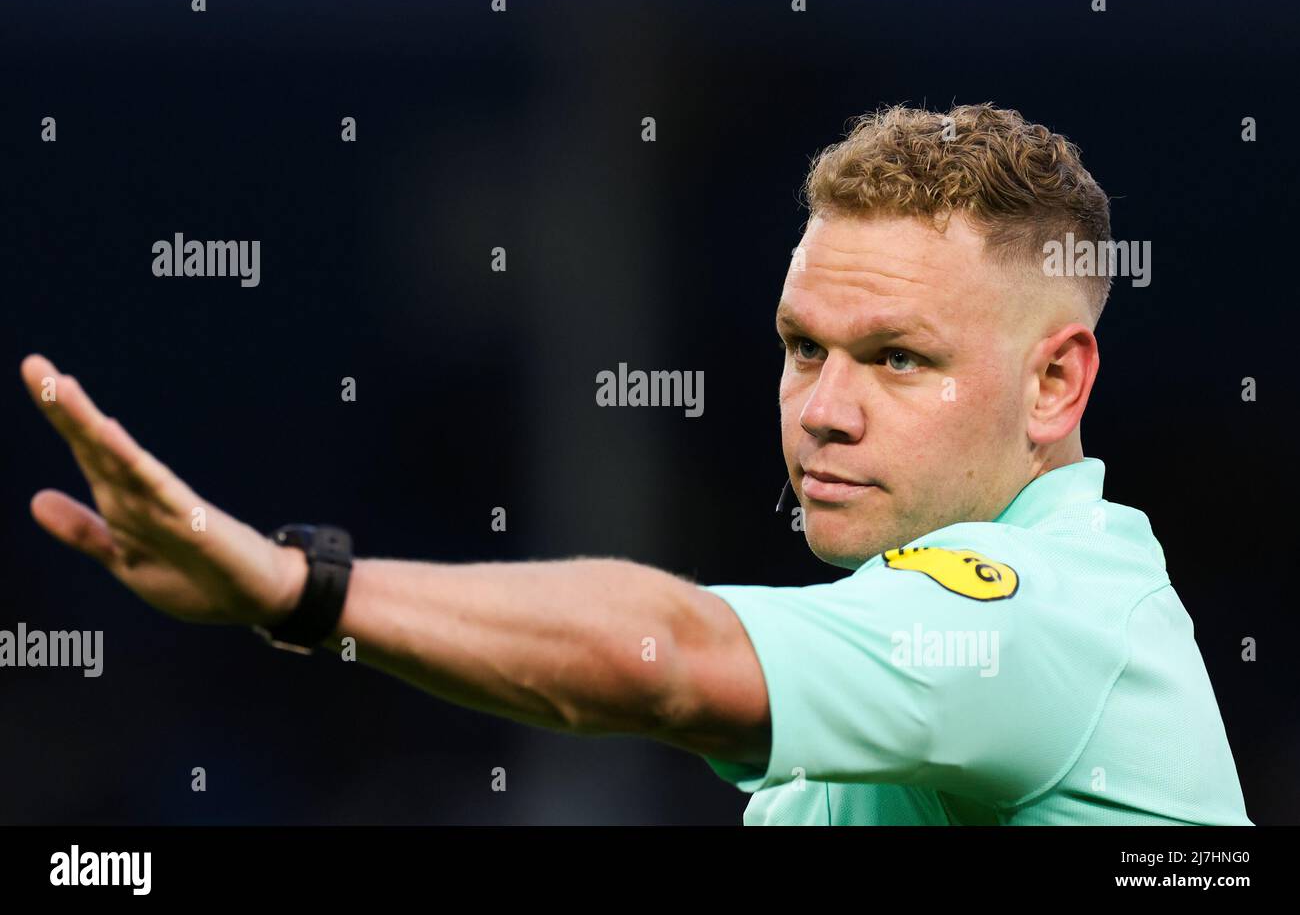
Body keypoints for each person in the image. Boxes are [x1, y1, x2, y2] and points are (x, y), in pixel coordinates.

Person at [21, 103, 1251, 825]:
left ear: (1056, 382)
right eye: (800, 347)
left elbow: (670, 656)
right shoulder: (896, 670)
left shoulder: (1036, 614)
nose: (822, 410)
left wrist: (303, 588)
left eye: (897, 358)